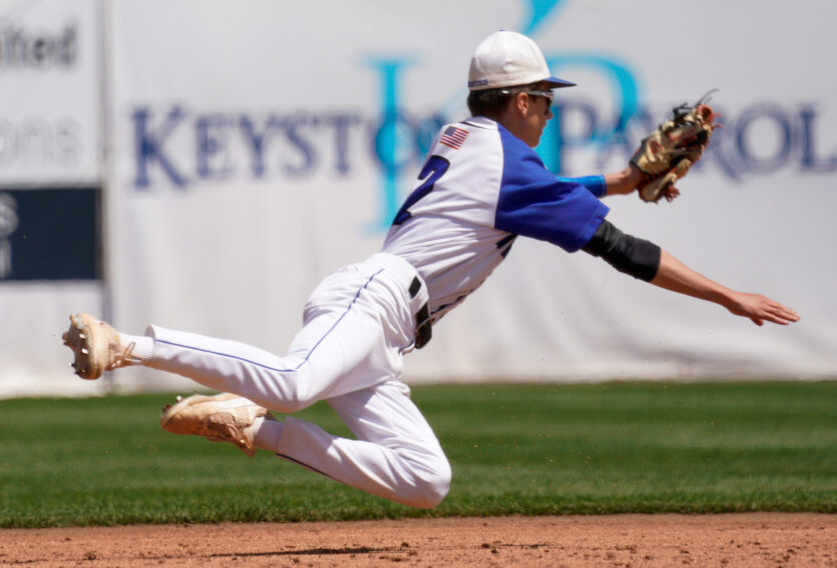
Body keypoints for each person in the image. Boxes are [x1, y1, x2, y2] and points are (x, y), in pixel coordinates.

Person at [61, 30, 799, 509]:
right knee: (293, 384)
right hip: (374, 299)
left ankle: (253, 429)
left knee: (425, 480)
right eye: (543, 100)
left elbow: (530, 197)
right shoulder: (508, 161)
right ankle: (128, 345)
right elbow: (623, 252)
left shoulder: (478, 145)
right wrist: (727, 296)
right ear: (516, 100)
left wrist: (614, 182)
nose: (548, 112)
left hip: (386, 332)